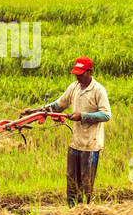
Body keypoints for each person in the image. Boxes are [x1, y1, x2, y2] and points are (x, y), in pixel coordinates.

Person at [26, 56, 111, 205]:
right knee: (71, 181)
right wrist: (36, 111)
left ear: (90, 72)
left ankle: (85, 211)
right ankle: (71, 213)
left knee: (86, 183)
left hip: (91, 144)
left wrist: (83, 116)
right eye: (76, 74)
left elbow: (106, 115)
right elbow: (59, 105)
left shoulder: (98, 90)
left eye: (81, 73)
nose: (78, 77)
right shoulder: (74, 87)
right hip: (75, 142)